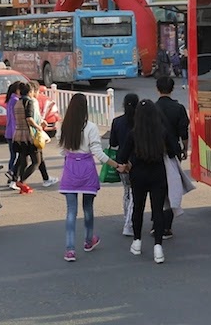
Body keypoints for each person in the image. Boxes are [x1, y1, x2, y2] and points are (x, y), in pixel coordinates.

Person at [58, 93, 122, 262]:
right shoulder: (91, 127)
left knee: (71, 212)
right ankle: (88, 241)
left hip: (70, 169)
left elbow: (62, 150)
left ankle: (70, 250)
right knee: (88, 208)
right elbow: (98, 153)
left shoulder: (64, 126)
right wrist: (117, 165)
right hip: (87, 169)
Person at [116, 100, 178, 263]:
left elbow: (121, 156)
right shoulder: (162, 132)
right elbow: (174, 151)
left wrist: (131, 161)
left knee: (138, 207)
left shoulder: (133, 133)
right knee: (157, 210)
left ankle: (137, 242)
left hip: (138, 175)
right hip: (158, 174)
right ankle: (158, 247)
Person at [155, 76, 189, 239]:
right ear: (172, 89)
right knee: (171, 189)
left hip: (155, 154)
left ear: (157, 89)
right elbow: (184, 132)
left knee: (157, 189)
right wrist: (184, 149)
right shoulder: (179, 108)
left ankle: (156, 223)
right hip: (172, 152)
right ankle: (166, 227)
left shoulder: (152, 108)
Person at [109, 93, 139, 236]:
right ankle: (129, 223)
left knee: (127, 191)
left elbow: (113, 143)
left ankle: (126, 218)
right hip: (137, 162)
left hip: (121, 161)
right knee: (135, 193)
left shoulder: (117, 121)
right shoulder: (140, 122)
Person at [28, 81, 58, 188]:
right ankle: (19, 179)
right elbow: (33, 117)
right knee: (36, 160)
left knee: (38, 158)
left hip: (29, 133)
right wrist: (39, 125)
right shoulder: (32, 102)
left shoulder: (21, 101)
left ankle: (46, 178)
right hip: (33, 134)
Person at [12, 83, 41, 193]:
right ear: (30, 92)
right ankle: (22, 181)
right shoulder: (29, 102)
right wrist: (38, 127)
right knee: (36, 161)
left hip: (18, 134)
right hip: (28, 135)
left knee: (23, 160)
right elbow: (29, 118)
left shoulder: (17, 102)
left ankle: (21, 186)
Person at [4, 81, 22, 191]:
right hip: (14, 132)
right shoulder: (16, 101)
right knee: (20, 157)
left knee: (13, 156)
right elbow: (16, 119)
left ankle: (10, 177)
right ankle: (12, 174)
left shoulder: (9, 100)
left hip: (8, 132)